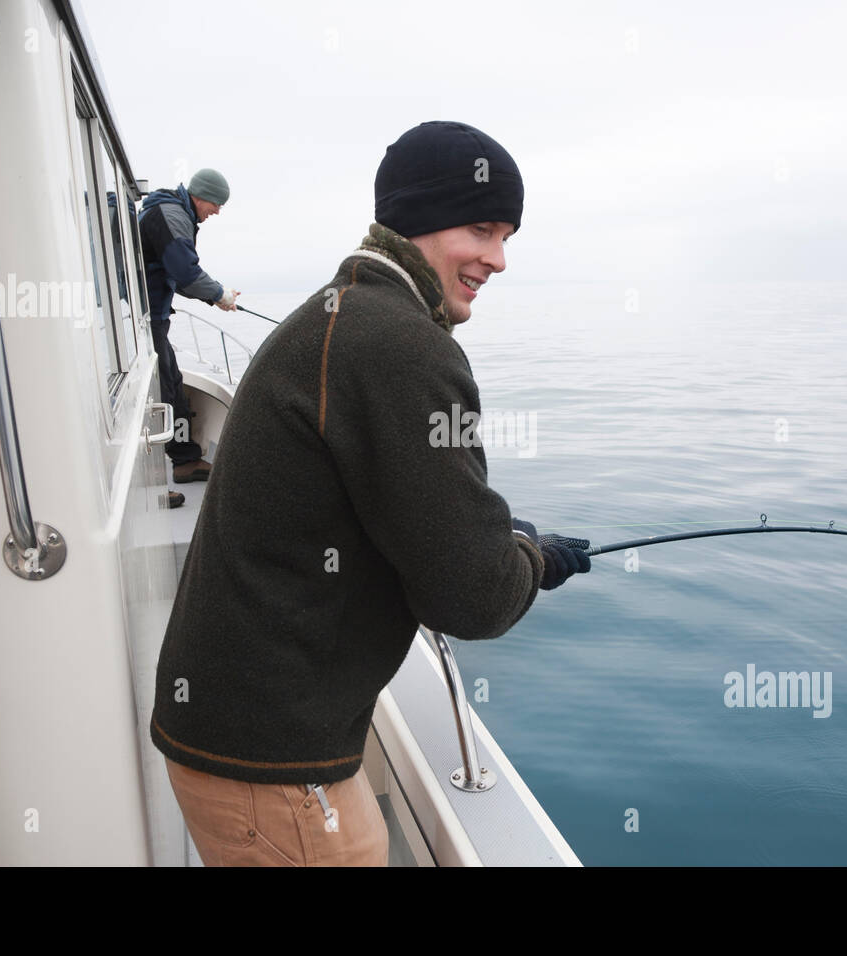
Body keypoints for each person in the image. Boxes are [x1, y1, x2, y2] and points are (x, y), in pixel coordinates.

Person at [149, 122, 591, 866]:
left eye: (507, 235)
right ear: (418, 221)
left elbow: (388, 503)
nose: (500, 259)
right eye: (482, 229)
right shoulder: (403, 345)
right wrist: (533, 558)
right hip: (276, 770)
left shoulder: (339, 312)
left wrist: (495, 535)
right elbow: (473, 597)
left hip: (238, 739)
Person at [137, 168, 239, 500]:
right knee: (167, 388)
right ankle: (178, 464)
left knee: (173, 384)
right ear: (201, 195)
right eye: (216, 204)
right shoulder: (171, 214)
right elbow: (184, 270)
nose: (217, 211)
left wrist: (214, 297)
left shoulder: (172, 212)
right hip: (145, 319)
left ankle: (185, 461)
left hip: (150, 317)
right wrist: (219, 294)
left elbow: (178, 277)